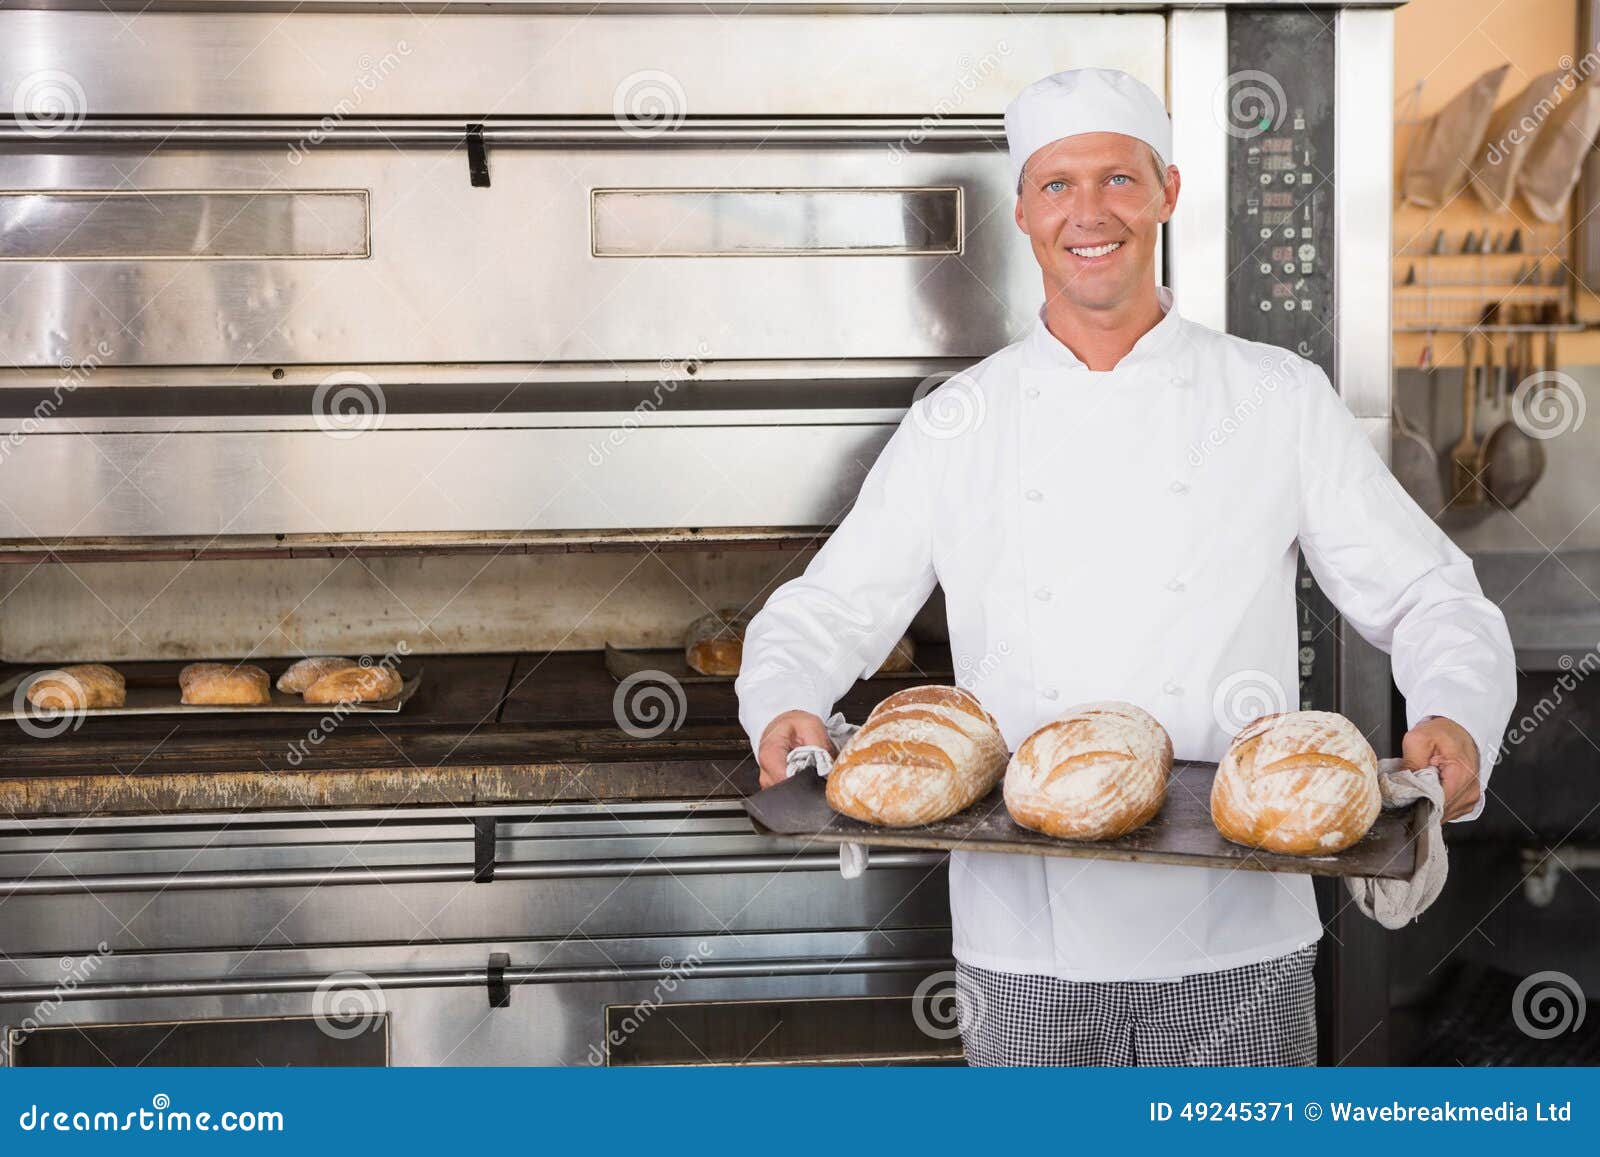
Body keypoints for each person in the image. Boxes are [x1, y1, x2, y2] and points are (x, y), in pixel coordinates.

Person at [734, 68, 1516, 1066]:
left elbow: (1424, 591)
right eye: (1057, 184)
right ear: (1022, 209)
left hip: (1238, 921)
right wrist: (785, 698)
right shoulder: (956, 421)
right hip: (1023, 935)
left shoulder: (1275, 397)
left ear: (1167, 193)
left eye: (1118, 178)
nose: (1088, 211)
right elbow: (833, 604)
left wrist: (1455, 708)